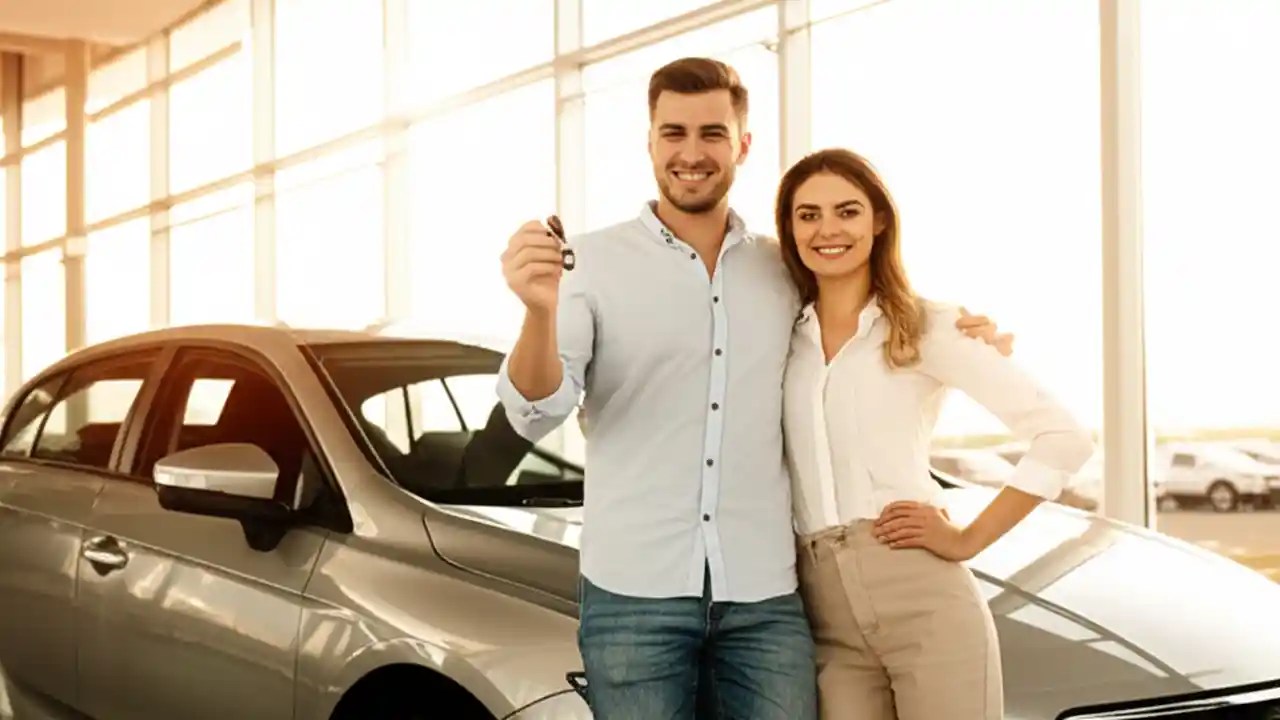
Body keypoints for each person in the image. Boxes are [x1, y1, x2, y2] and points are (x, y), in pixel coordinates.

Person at [496, 57, 1011, 719]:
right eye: (673, 133)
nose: (691, 153)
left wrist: (966, 335)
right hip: (633, 596)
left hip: (766, 599)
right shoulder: (588, 264)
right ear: (649, 142)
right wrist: (538, 311)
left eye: (712, 133)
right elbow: (535, 413)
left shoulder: (783, 268)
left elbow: (869, 314)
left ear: (742, 144)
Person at [775, 147, 1095, 720]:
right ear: (789, 228)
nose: (827, 229)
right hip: (823, 616)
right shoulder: (779, 338)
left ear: (878, 221)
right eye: (808, 215)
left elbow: (1064, 437)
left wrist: (966, 539)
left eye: (847, 211)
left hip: (925, 602)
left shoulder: (930, 326)